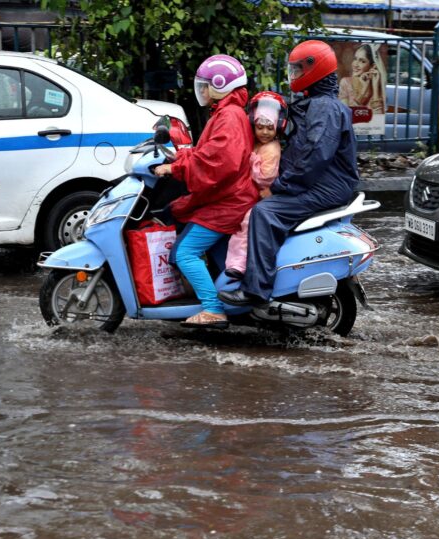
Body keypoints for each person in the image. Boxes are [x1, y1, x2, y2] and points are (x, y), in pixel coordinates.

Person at [218, 40, 359, 307]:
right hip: (320, 182)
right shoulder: (314, 103)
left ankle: (255, 291)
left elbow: (315, 155)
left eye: (298, 70)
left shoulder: (325, 107)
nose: (293, 75)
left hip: (324, 186)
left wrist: (281, 186)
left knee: (264, 213)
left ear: (313, 70)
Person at [153, 54, 257, 328]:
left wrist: (176, 168)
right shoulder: (226, 113)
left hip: (228, 202)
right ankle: (228, 302)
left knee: (184, 253)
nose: (203, 90)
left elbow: (218, 163)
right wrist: (180, 157)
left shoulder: (230, 116)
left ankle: (213, 309)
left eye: (206, 85)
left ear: (221, 85)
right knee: (220, 257)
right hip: (228, 197)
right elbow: (209, 153)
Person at [224, 91, 287, 279]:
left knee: (246, 223)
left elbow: (265, 178)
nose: (265, 132)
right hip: (250, 192)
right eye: (260, 127)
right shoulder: (255, 143)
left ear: (278, 127)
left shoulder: (272, 148)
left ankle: (238, 265)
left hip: (260, 195)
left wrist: (251, 161)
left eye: (270, 127)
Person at [338, 43, 386, 115]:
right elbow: (346, 115)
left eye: (362, 61)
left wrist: (375, 88)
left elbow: (378, 118)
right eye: (355, 59)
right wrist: (363, 92)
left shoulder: (378, 86)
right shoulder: (345, 82)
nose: (355, 64)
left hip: (371, 126)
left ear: (372, 66)